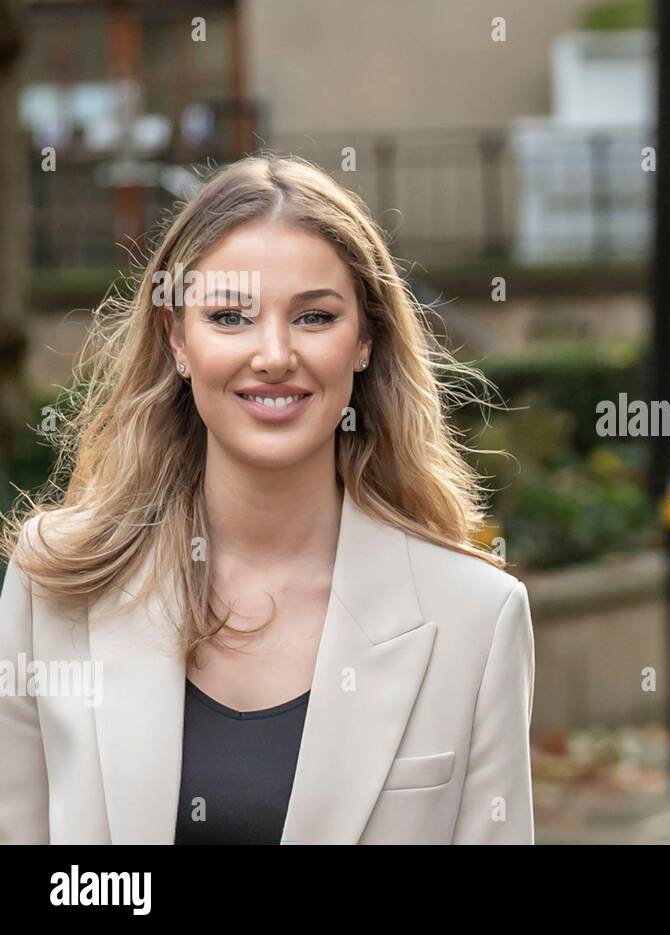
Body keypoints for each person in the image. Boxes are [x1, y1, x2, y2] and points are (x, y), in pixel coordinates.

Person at [0, 154, 535, 844]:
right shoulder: (56, 583)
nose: (275, 355)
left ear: (365, 340)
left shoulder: (476, 616)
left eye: (314, 316)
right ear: (176, 338)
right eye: (230, 316)